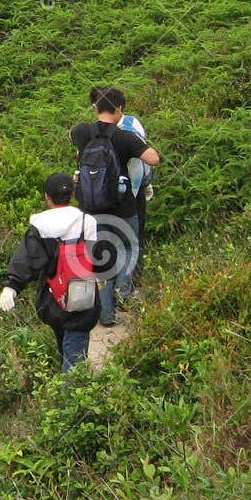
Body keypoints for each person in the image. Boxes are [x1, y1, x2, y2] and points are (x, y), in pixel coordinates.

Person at [70, 87, 161, 327]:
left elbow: (78, 151)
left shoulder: (81, 132)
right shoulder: (124, 137)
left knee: (102, 258)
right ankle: (123, 289)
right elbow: (154, 159)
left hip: (91, 206)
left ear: (95, 107)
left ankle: (106, 316)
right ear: (119, 108)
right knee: (130, 247)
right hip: (123, 206)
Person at [0, 173, 101, 372]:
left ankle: (66, 394)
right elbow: (94, 257)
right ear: (72, 194)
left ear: (47, 197)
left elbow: (27, 258)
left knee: (66, 347)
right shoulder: (87, 221)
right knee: (74, 358)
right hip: (83, 298)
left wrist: (11, 286)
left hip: (53, 299)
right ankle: (72, 396)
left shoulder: (41, 225)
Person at [92, 86, 154, 283]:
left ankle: (113, 292)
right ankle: (128, 288)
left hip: (100, 196)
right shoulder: (130, 127)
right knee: (131, 243)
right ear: (118, 108)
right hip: (130, 192)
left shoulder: (88, 132)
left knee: (111, 245)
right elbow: (151, 158)